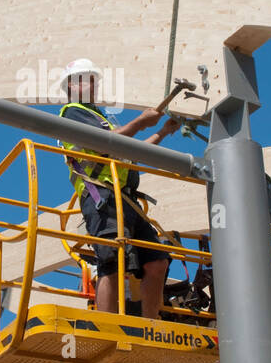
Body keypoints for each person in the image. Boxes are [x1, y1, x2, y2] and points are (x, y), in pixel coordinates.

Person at [56, 58, 179, 319]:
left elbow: (133, 151)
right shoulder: (72, 112)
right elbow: (103, 144)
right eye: (83, 80)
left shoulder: (101, 117)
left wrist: (163, 131)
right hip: (101, 198)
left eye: (92, 80)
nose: (90, 85)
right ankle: (107, 326)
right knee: (111, 261)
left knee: (157, 261)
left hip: (125, 200)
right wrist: (141, 122)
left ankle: (150, 323)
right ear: (70, 86)